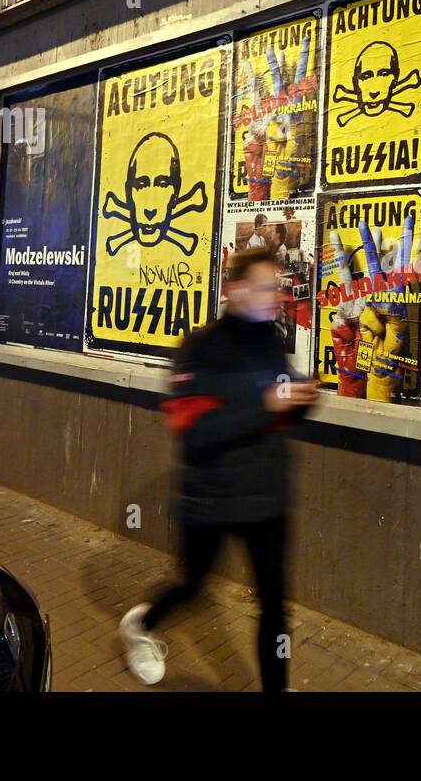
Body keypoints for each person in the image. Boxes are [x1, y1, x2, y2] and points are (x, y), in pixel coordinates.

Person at [119, 248, 320, 689]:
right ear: (235, 290)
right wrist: (266, 403)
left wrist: (303, 400)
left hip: (268, 498)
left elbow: (278, 412)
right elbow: (193, 430)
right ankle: (142, 624)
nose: (276, 297)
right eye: (265, 287)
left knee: (274, 604)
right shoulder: (199, 349)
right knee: (193, 585)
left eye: (278, 287)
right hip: (209, 498)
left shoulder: (270, 339)